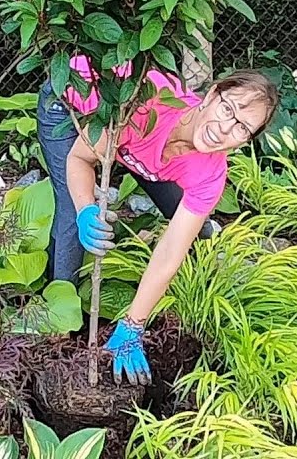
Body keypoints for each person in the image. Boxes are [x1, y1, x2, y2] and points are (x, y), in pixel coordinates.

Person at [35, 57, 279, 385]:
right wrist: (84, 209)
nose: (226, 128)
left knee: (194, 228)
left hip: (143, 146)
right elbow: (81, 158)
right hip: (69, 104)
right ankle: (58, 335)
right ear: (210, 96)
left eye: (242, 129)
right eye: (227, 110)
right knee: (70, 213)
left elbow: (168, 253)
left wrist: (133, 326)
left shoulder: (210, 172)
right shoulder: (144, 108)